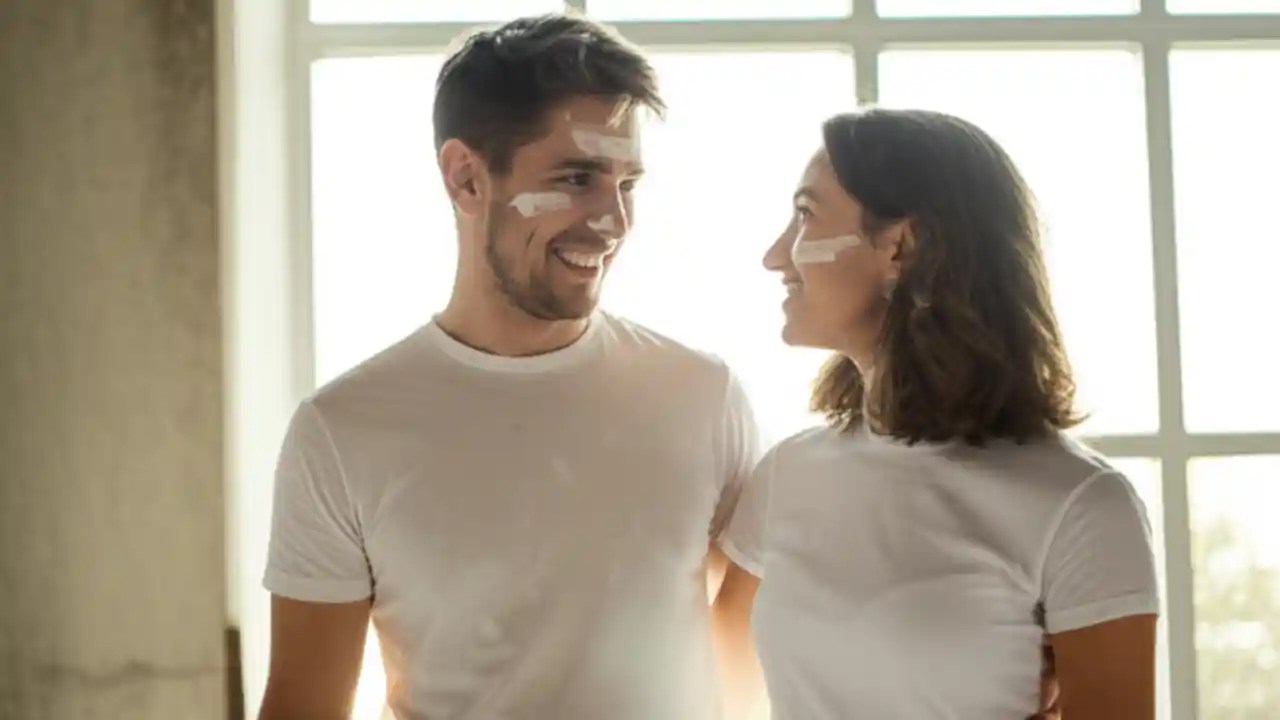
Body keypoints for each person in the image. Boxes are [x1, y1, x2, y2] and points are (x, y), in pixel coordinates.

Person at [257, 14, 761, 720]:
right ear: (466, 179)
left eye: (628, 185)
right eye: (578, 177)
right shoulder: (341, 430)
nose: (614, 221)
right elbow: (304, 708)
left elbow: (761, 651)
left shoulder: (703, 397)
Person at [713, 108, 1160, 719]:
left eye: (804, 216)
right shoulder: (788, 473)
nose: (775, 257)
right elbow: (724, 680)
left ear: (901, 247)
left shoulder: (1082, 503)